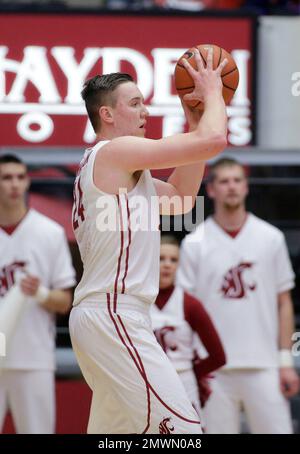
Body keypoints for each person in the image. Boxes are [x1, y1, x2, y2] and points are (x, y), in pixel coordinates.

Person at [69, 47, 228, 434]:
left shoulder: (122, 169)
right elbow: (215, 141)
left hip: (109, 314)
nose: (146, 112)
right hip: (114, 313)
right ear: (106, 114)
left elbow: (181, 198)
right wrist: (213, 95)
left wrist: (194, 122)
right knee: (186, 433)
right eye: (136, 103)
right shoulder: (114, 151)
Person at [177, 157, 300, 434]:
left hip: (265, 364)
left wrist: (285, 362)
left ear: (246, 187)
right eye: (224, 181)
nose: (231, 187)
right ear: (211, 190)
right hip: (212, 368)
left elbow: (284, 303)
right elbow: (183, 310)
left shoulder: (271, 238)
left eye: (237, 180)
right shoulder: (194, 243)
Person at [0, 154, 76, 434]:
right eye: (6, 177)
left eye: (20, 177)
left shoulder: (50, 233)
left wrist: (41, 293)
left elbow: (65, 301)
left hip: (34, 358)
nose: (14, 184)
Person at [150, 234, 226, 425]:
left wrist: (190, 371)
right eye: (160, 258)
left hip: (183, 384)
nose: (167, 264)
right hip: (147, 384)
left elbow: (219, 356)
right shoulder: (137, 301)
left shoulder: (190, 304)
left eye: (173, 260)